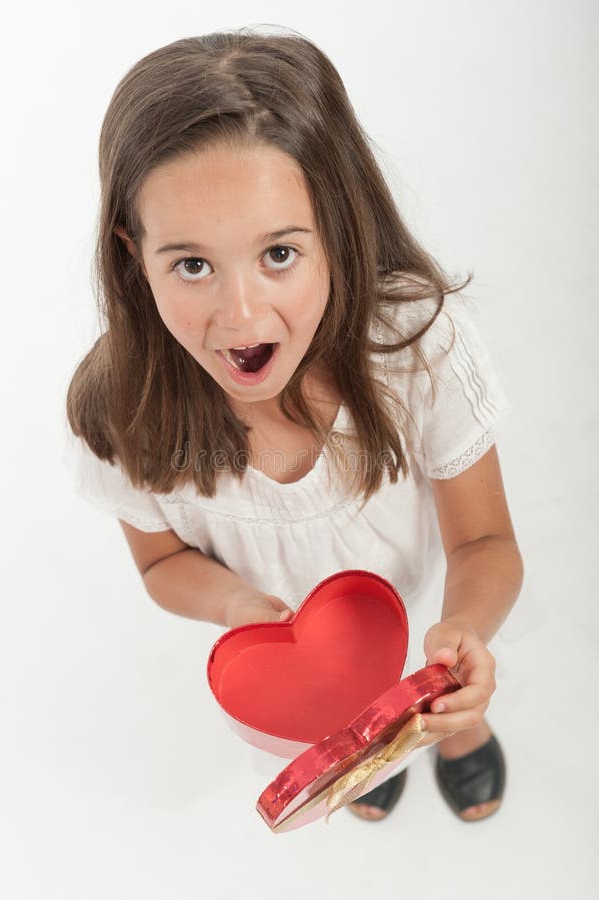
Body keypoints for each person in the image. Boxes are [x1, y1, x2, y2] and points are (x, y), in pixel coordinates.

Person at [64, 28, 524, 824]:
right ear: (133, 253)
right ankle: (361, 750)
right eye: (192, 265)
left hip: (413, 603)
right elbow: (161, 562)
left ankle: (462, 732)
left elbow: (483, 540)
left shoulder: (415, 346)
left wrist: (463, 632)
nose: (241, 317)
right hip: (293, 653)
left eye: (278, 253)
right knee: (344, 712)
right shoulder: (121, 410)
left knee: (438, 683)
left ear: (338, 228)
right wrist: (235, 604)